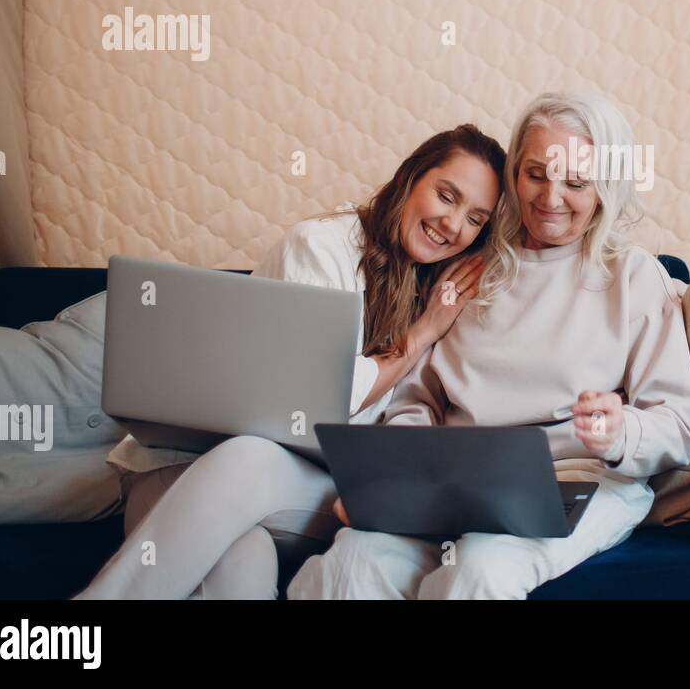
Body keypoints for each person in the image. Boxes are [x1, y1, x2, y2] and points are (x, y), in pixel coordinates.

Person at [288, 92, 690, 599]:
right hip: (455, 482)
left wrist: (619, 432)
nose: (550, 198)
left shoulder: (633, 277)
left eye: (575, 182)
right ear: (513, 175)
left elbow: (678, 426)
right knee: (353, 561)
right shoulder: (474, 270)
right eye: (535, 174)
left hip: (574, 480)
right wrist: (397, 484)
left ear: (605, 187)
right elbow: (417, 400)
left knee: (480, 568)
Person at [75, 124, 505, 599]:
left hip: (310, 489)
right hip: (178, 469)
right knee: (243, 558)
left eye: (475, 219)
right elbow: (329, 397)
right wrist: (422, 332)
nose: (453, 225)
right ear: (410, 178)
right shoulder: (320, 247)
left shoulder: (447, 292)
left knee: (248, 457)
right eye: (447, 197)